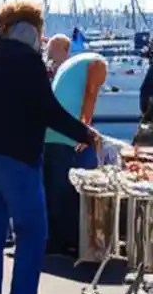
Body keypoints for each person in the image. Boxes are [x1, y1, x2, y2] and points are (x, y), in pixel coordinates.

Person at [0, 0, 98, 294]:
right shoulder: (29, 65)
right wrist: (86, 134)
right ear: (33, 32)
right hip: (16, 158)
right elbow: (48, 110)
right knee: (32, 231)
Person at [43, 51, 107, 257]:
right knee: (66, 191)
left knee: (54, 189)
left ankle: (54, 240)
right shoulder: (98, 65)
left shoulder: (74, 64)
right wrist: (85, 131)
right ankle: (63, 242)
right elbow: (91, 95)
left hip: (52, 131)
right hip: (65, 135)